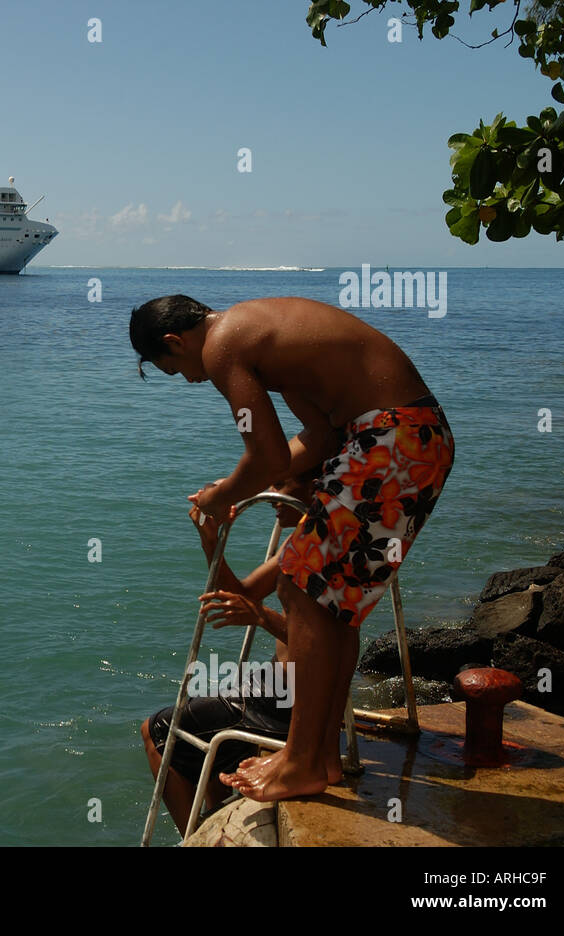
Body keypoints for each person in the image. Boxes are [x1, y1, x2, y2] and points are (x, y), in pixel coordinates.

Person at [130, 295, 453, 802]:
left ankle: (300, 761)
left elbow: (266, 454)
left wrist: (221, 496)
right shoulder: (266, 337)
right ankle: (320, 755)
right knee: (328, 601)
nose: (190, 380)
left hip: (389, 437)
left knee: (301, 586)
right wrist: (240, 483)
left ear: (174, 341)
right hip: (407, 437)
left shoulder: (221, 345)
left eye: (174, 371)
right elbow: (318, 438)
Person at [141, 472, 315, 832]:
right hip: (274, 685)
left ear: (313, 486)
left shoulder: (321, 547)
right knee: (205, 712)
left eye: (281, 486)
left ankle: (194, 836)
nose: (271, 496)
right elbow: (240, 593)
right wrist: (212, 542)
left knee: (157, 730)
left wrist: (262, 617)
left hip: (288, 701)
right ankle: (215, 818)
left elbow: (322, 644)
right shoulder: (304, 539)